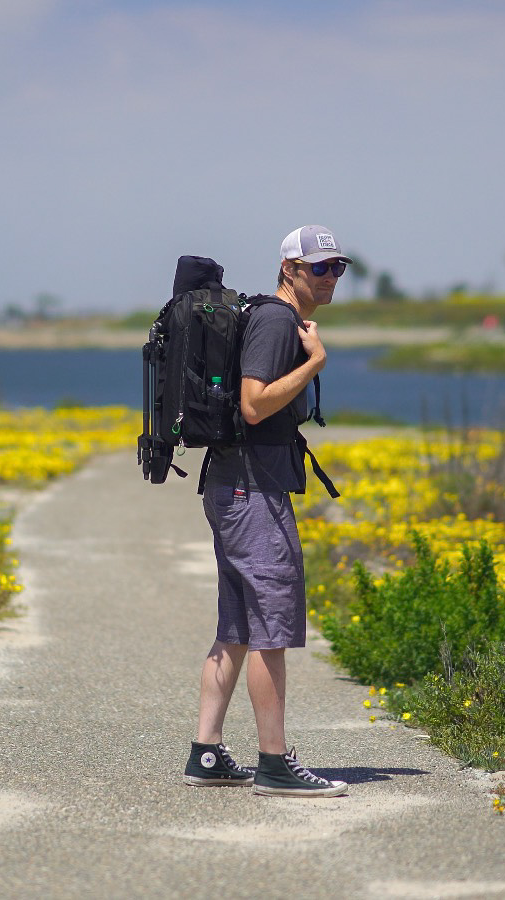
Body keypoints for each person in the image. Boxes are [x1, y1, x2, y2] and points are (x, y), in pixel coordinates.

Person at [183, 225, 350, 798]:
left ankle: (206, 753)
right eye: (320, 267)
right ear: (290, 269)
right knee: (271, 629)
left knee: (237, 626)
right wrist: (315, 363)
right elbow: (254, 405)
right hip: (251, 491)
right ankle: (274, 764)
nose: (331, 278)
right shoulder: (279, 322)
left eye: (338, 268)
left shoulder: (276, 320)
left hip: (236, 487)